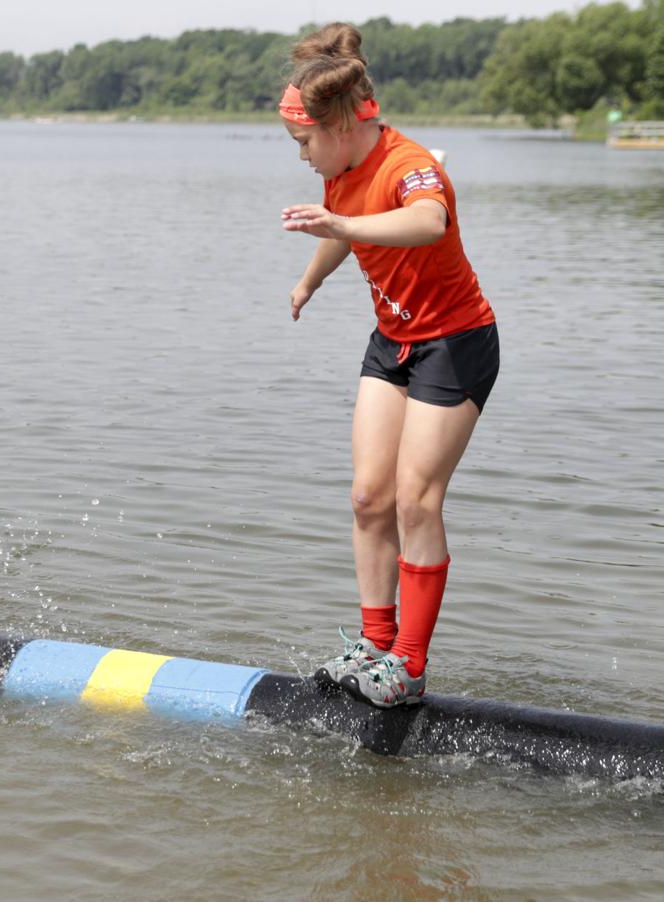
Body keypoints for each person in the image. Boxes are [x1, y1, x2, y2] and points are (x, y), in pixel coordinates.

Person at [278, 23, 499, 707]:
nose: (303, 156)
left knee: (416, 499)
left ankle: (408, 666)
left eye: (305, 142)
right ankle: (374, 645)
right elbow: (345, 223)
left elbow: (425, 221)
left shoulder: (409, 165)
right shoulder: (343, 173)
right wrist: (312, 278)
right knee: (369, 498)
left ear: (341, 125)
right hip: (393, 343)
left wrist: (340, 228)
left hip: (455, 342)